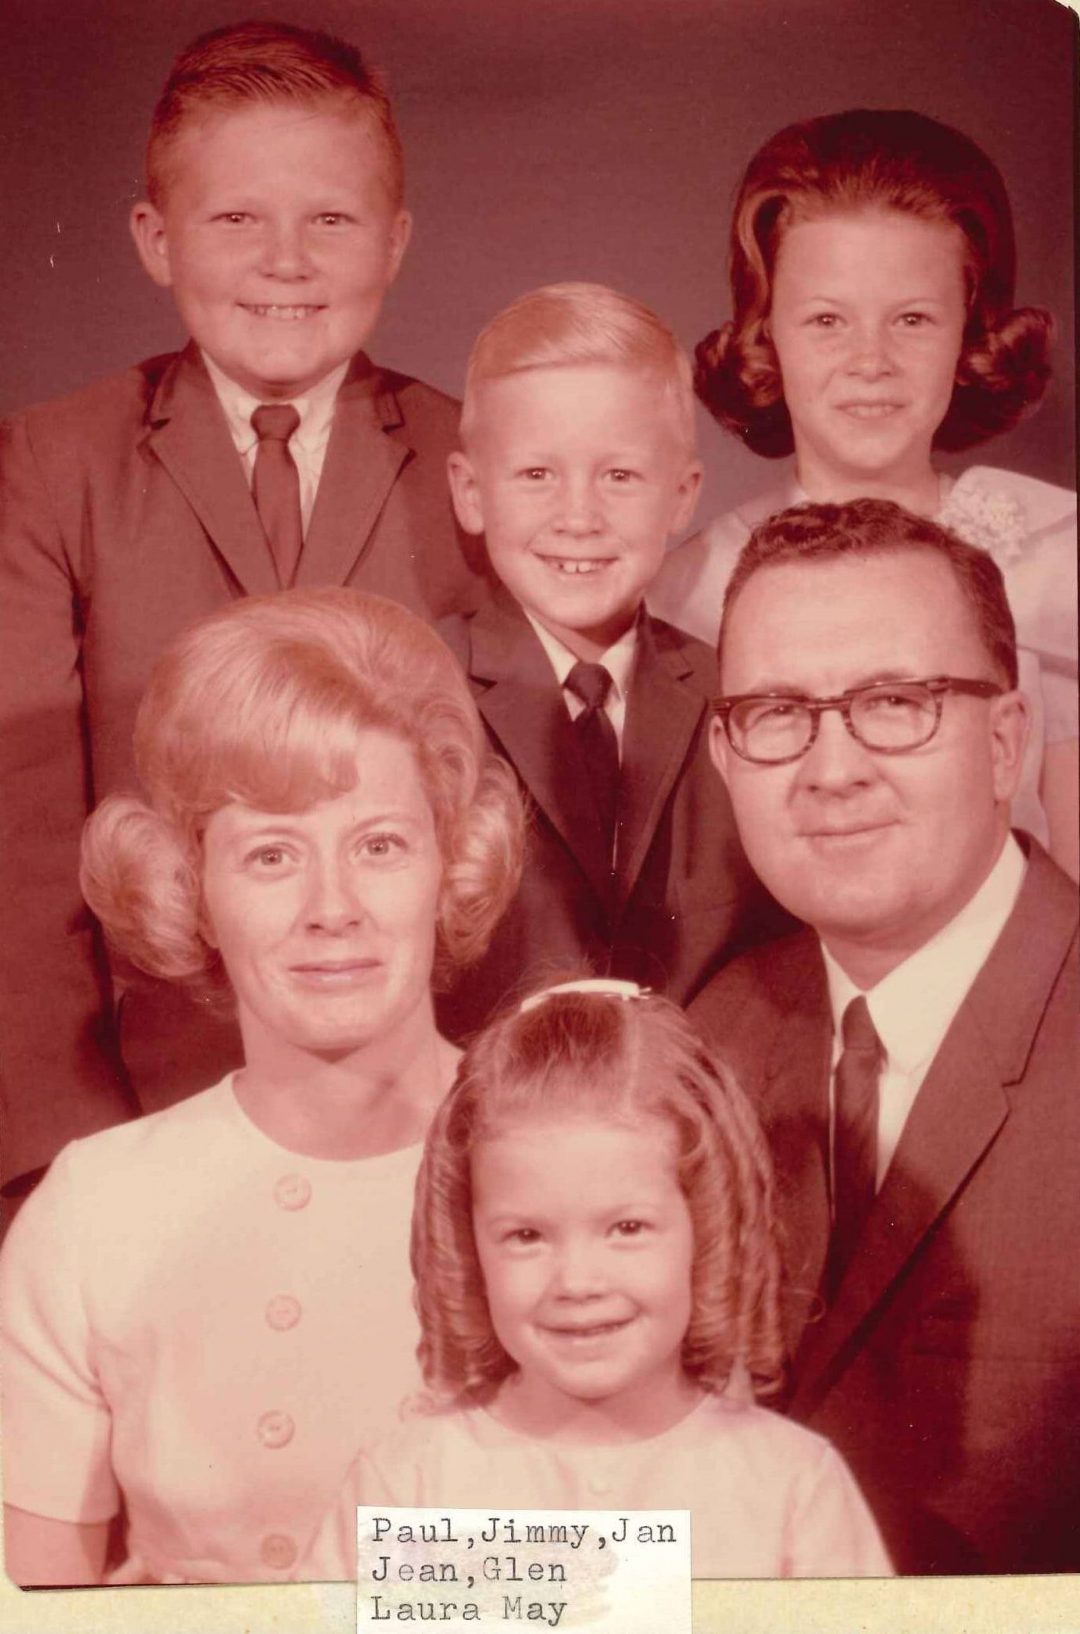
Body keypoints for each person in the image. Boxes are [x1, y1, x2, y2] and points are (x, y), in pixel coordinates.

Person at [0, 20, 494, 1207]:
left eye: (330, 218)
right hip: (137, 1106)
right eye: (235, 219)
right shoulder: (51, 462)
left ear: (397, 239)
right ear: (155, 240)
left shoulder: (471, 460)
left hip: (420, 1117)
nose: (287, 261)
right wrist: (59, 1161)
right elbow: (16, 851)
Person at [0, 588, 523, 1586]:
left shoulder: (577, 1158)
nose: (333, 907)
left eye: (379, 844)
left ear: (449, 863)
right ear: (191, 886)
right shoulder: (95, 1205)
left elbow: (668, 1582)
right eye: (272, 854)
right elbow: (33, 1604)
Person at [689, 498, 1079, 1574]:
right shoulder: (707, 1036)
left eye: (894, 702)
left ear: (1007, 741)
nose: (832, 768)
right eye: (776, 712)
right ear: (724, 752)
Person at [303, 980, 891, 1580]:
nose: (577, 1282)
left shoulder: (789, 1486)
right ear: (468, 1246)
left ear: (705, 1228)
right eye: (527, 1236)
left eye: (627, 1228)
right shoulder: (409, 1483)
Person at [648, 108, 1078, 878]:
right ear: (766, 331)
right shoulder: (691, 593)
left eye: (912, 318)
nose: (869, 361)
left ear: (968, 333)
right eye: (826, 321)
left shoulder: (1057, 560)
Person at [435, 282, 786, 1040]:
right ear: (470, 492)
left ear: (684, 496)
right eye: (537, 474)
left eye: (620, 475)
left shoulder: (745, 699)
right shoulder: (412, 697)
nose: (580, 517)